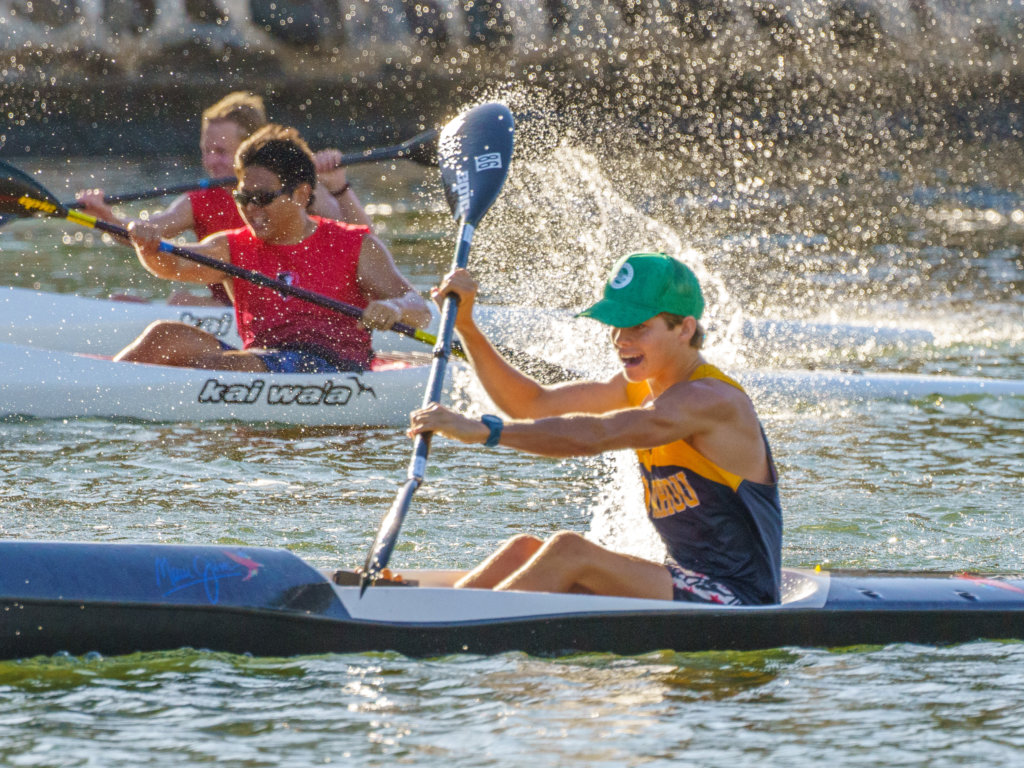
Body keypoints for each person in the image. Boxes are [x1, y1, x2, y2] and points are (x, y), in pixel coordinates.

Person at [407, 252, 782, 605]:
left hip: (738, 596)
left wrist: (487, 431)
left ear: (684, 329)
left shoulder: (709, 399)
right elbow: (532, 406)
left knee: (570, 551)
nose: (622, 340)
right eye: (616, 326)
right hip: (685, 580)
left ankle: (453, 631)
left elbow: (596, 435)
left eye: (638, 326)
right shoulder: (634, 387)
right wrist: (467, 328)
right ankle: (431, 617)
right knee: (523, 550)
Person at [115, 124, 431, 374]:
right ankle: (100, 386)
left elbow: (420, 307)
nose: (251, 208)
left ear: (301, 194)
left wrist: (395, 309)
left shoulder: (355, 244)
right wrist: (148, 246)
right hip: (260, 359)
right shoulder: (232, 246)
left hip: (333, 366)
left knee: (233, 364)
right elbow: (174, 265)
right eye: (243, 198)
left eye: (263, 197)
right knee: (163, 336)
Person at [76, 91, 372, 305]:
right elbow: (152, 229)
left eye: (221, 152)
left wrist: (339, 187)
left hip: (297, 307)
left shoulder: (292, 191)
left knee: (181, 302)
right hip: (235, 308)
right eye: (206, 150)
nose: (211, 162)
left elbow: (365, 244)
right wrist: (107, 219)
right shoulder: (204, 199)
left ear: (250, 149)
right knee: (124, 301)